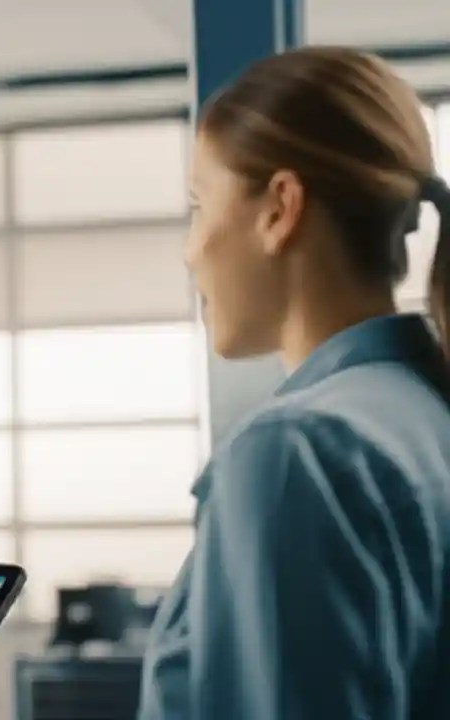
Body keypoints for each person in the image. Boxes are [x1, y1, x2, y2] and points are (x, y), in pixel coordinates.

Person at [139, 47, 450, 719]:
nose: (189, 249)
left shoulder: (295, 452)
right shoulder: (428, 416)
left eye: (199, 204)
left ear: (280, 207)